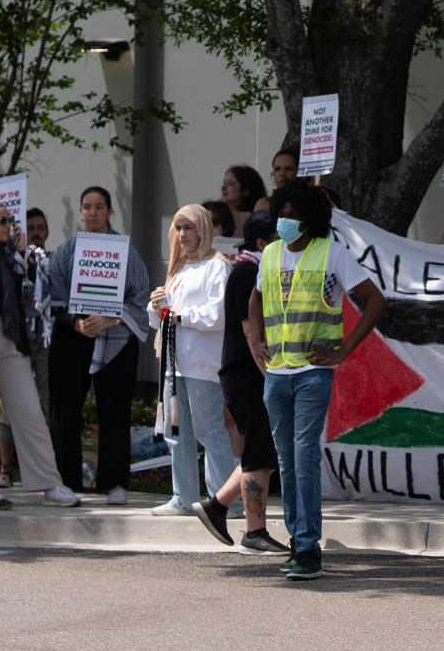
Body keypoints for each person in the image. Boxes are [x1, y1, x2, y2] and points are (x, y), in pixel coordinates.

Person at [249, 182, 386, 581]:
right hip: (276, 373)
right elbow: (255, 298)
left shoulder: (332, 253)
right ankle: (300, 542)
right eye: (281, 213)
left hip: (312, 372)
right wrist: (255, 340)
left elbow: (375, 301)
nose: (285, 221)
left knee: (304, 455)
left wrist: (343, 352)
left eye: (293, 215)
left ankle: (308, 548)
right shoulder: (270, 254)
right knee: (287, 461)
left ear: (311, 219)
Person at [0, 201, 77, 508]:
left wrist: (23, 256)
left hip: (12, 335)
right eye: (1, 220)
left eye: (9, 220)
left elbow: (36, 293)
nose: (8, 225)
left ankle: (49, 482)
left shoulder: (14, 256)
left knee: (30, 411)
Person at [47, 187, 150, 505]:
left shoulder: (127, 252)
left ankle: (114, 483)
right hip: (73, 338)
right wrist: (76, 323)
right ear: (80, 212)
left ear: (110, 212)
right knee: (65, 411)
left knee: (115, 412)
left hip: (117, 340)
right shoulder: (66, 251)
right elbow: (52, 297)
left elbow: (140, 298)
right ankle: (65, 481)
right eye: (87, 207)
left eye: (99, 207)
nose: (92, 212)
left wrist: (111, 318)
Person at [193, 213, 287, 553]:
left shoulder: (253, 270)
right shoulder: (248, 273)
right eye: (278, 238)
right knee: (259, 452)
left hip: (249, 375)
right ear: (262, 243)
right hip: (248, 376)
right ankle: (254, 531)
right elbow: (252, 333)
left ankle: (216, 507)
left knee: (261, 451)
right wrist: (271, 375)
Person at [150, 204, 237, 519]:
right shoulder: (178, 268)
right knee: (177, 434)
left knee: (210, 433)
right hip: (174, 367)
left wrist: (181, 316)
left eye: (189, 227)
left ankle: (225, 502)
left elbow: (220, 313)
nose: (182, 234)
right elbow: (160, 320)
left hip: (203, 367)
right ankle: (183, 497)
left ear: (203, 229)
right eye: (178, 228)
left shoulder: (217, 266)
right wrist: (155, 306)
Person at [0, 207, 52, 489]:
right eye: (31, 228)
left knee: (47, 402)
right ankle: (5, 469)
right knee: (10, 405)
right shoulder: (7, 259)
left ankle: (47, 468)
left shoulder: (49, 261)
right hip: (17, 339)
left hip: (44, 341)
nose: (36, 233)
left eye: (41, 228)